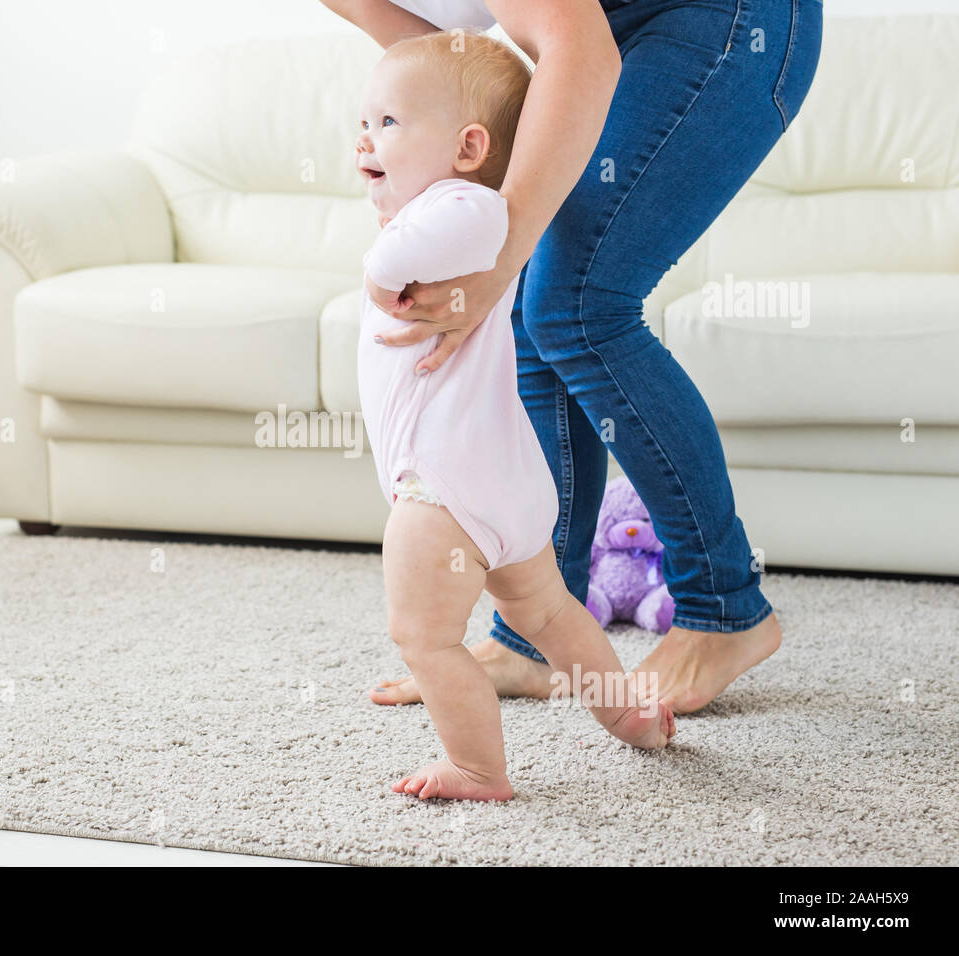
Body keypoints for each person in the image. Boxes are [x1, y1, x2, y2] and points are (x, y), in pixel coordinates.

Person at [321, 0, 822, 715]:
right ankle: (533, 638)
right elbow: (446, 77)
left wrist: (499, 251)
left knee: (575, 305)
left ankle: (723, 610)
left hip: (722, 19)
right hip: (602, 34)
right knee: (534, 315)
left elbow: (574, 42)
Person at [357, 30, 674, 802]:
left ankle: (477, 767)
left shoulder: (465, 207)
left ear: (469, 146)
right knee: (549, 612)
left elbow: (390, 268)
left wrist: (382, 262)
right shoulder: (457, 212)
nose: (365, 138)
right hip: (498, 480)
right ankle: (627, 713)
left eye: (389, 124)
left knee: (424, 636)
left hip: (442, 491)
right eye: (361, 124)